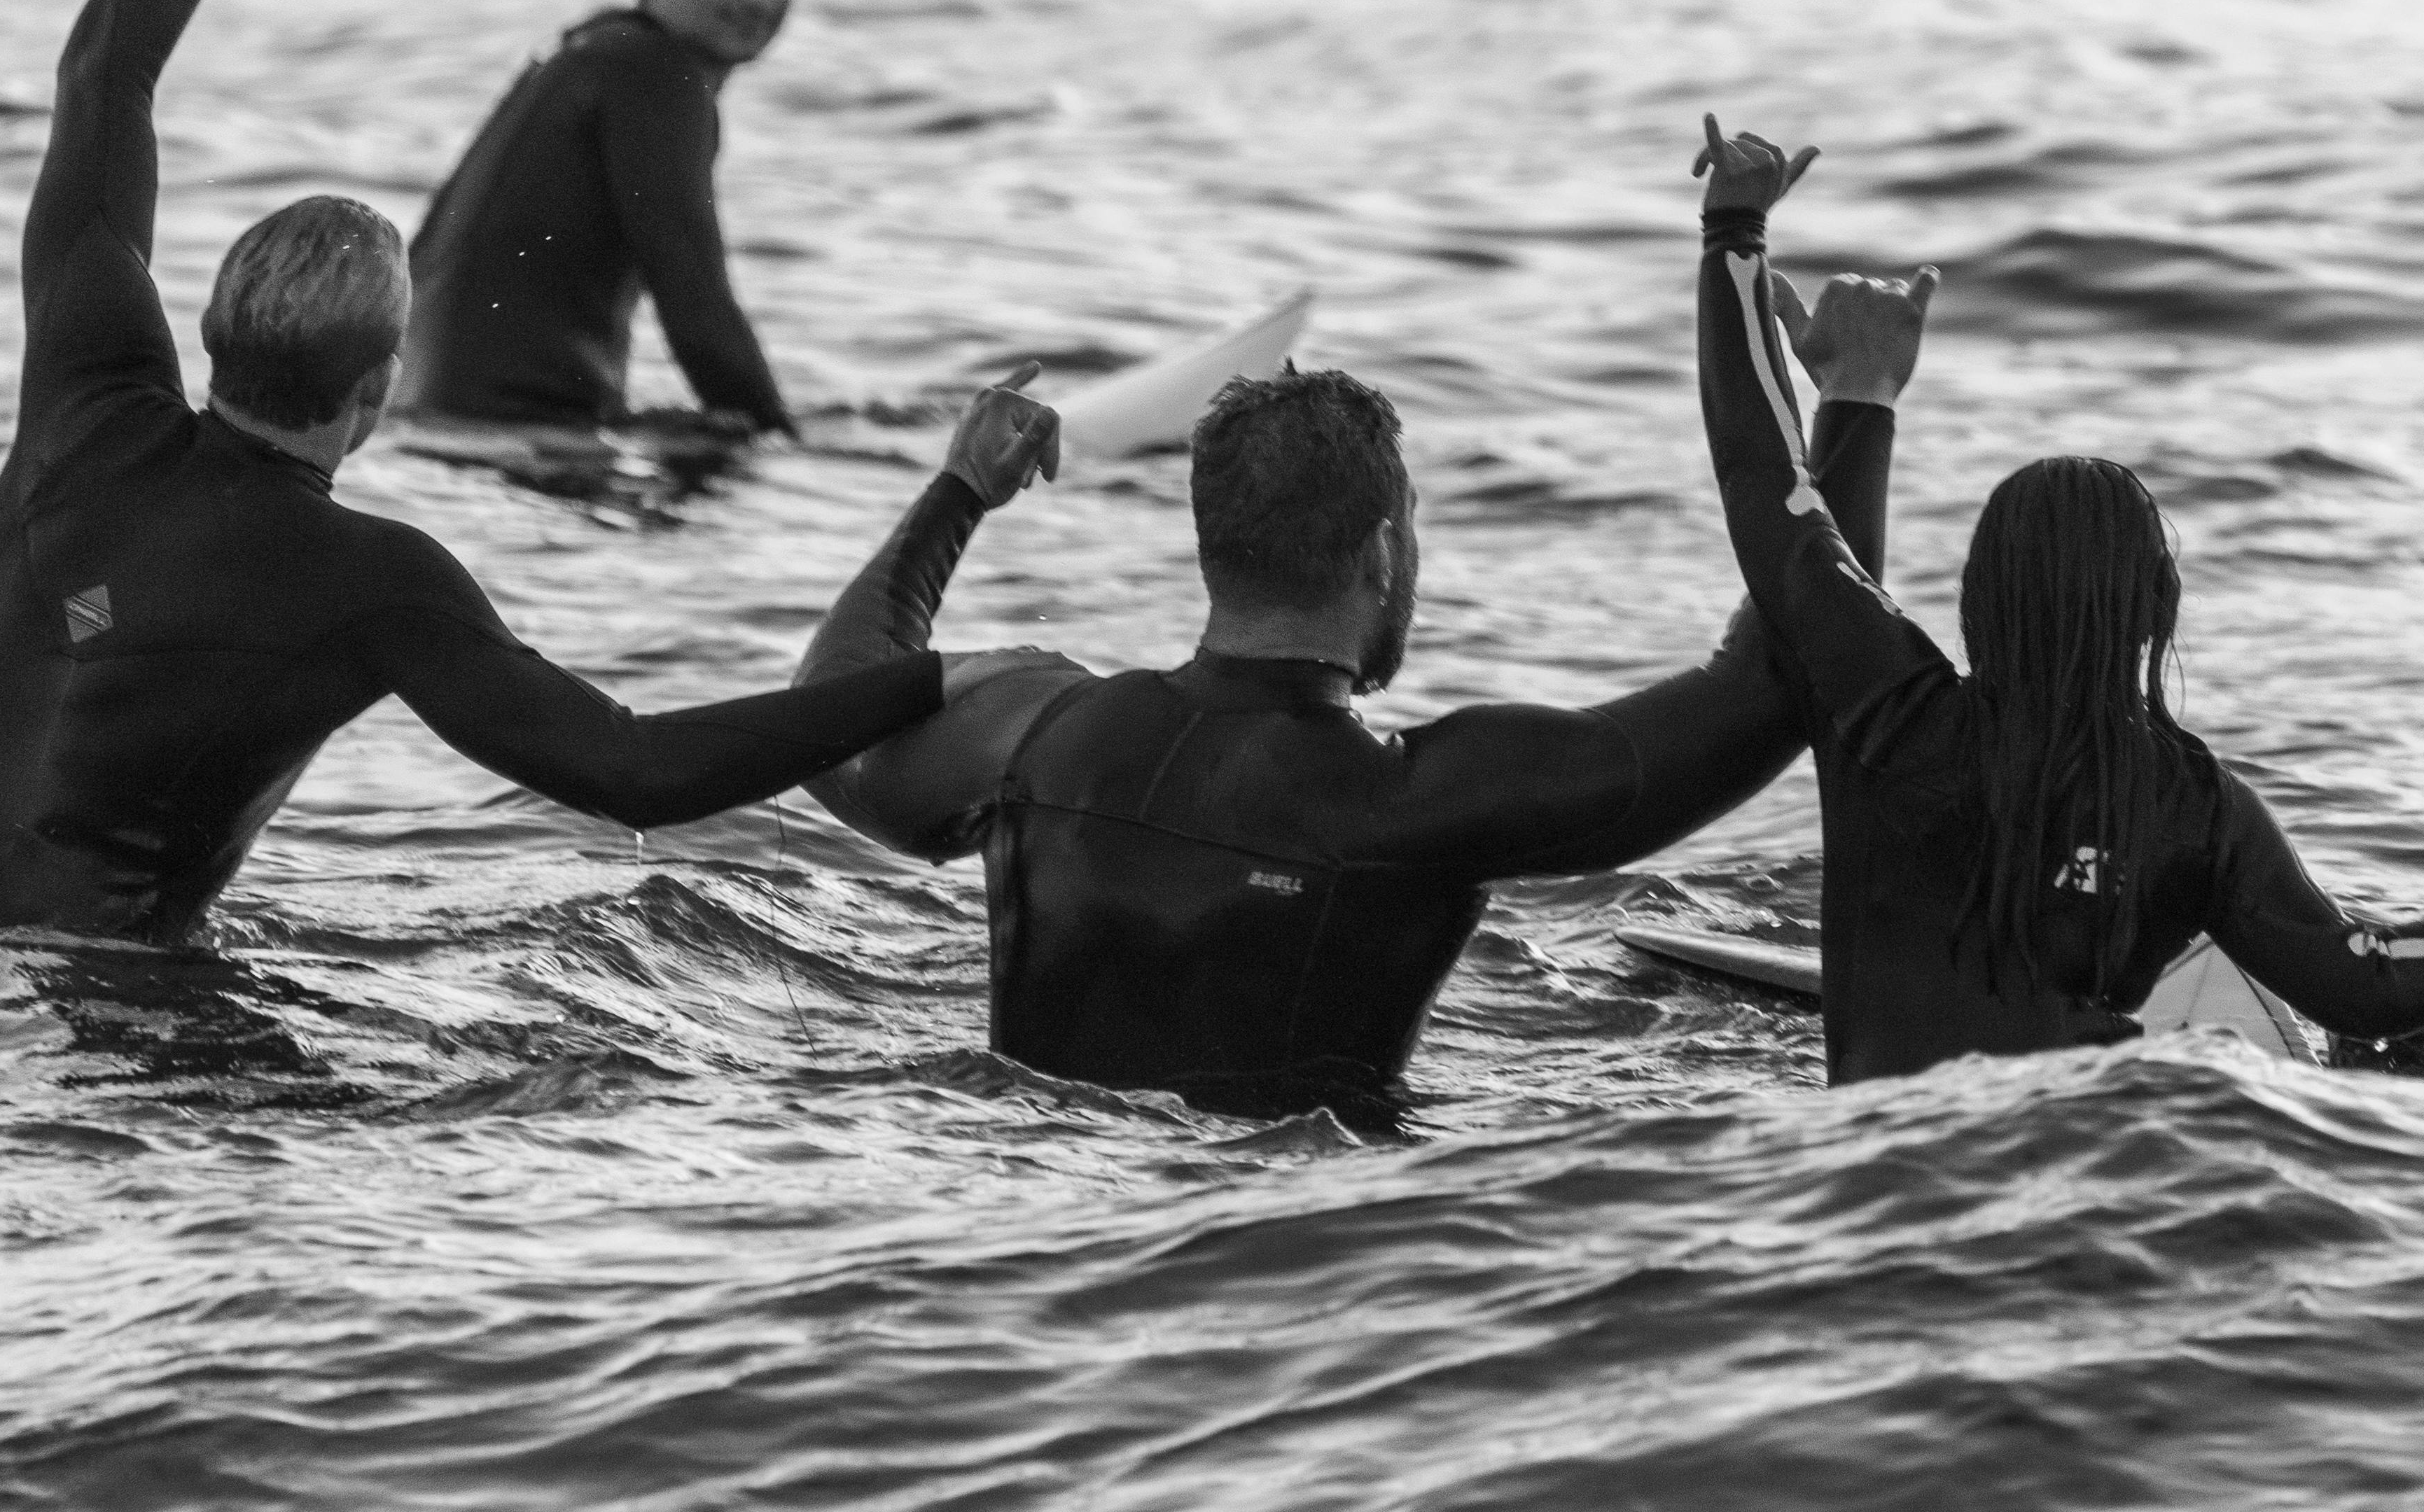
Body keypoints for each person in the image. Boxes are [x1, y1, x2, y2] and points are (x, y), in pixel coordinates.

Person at [0, 0, 1035, 944]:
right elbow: (636, 771)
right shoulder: (376, 582)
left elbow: (104, 74)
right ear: (380, 389)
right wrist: (930, 678)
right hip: (104, 997)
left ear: (215, 329)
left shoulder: (86, 399)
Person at [788, 326, 1907, 1114]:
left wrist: (958, 494)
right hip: (1298, 1260)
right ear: (1382, 551)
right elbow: (1780, 685)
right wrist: (1854, 403)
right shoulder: (1417, 804)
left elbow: (828, 716)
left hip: (1024, 1194)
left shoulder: (1038, 734)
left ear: (1211, 542)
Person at [1693, 120, 2424, 1085]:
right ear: (2158, 612)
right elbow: (2375, 985)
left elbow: (1765, 486)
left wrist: (1734, 233)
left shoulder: (1892, 719)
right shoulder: (2194, 807)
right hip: (2111, 1156)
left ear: (1977, 600)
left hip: (1888, 1163)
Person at [396, 0, 828, 435]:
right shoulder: (653, 72)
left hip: (427, 422)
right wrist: (788, 446)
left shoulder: (590, 55)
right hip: (510, 437)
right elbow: (700, 315)